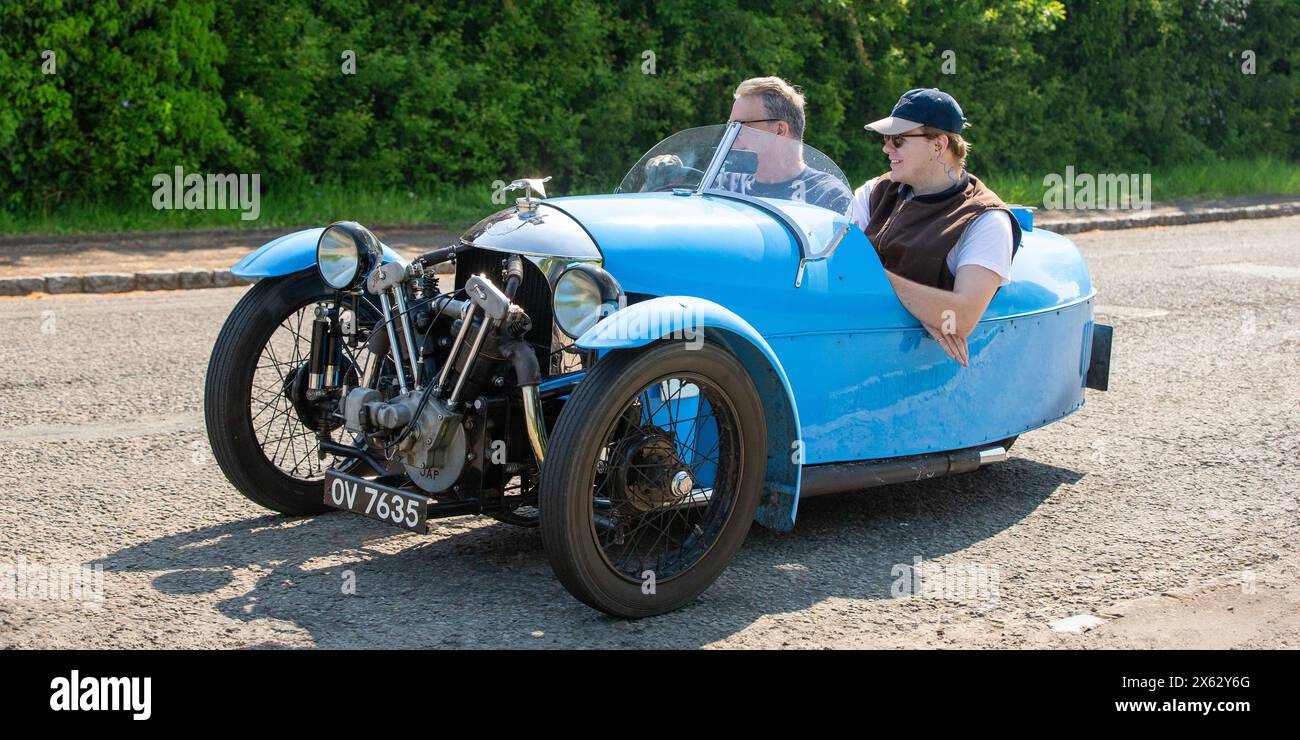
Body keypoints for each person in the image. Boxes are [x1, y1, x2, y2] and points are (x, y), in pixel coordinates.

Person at [850, 88, 1021, 367]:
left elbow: (961, 318)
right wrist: (925, 311)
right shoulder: (875, 190)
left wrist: (874, 277)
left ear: (939, 146)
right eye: (886, 139)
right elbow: (837, 260)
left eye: (898, 140)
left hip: (912, 368)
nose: (886, 148)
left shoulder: (986, 220)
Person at [720, 77, 852, 212]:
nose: (732, 137)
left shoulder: (827, 196)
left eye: (740, 126)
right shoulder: (723, 187)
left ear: (779, 130)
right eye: (730, 126)